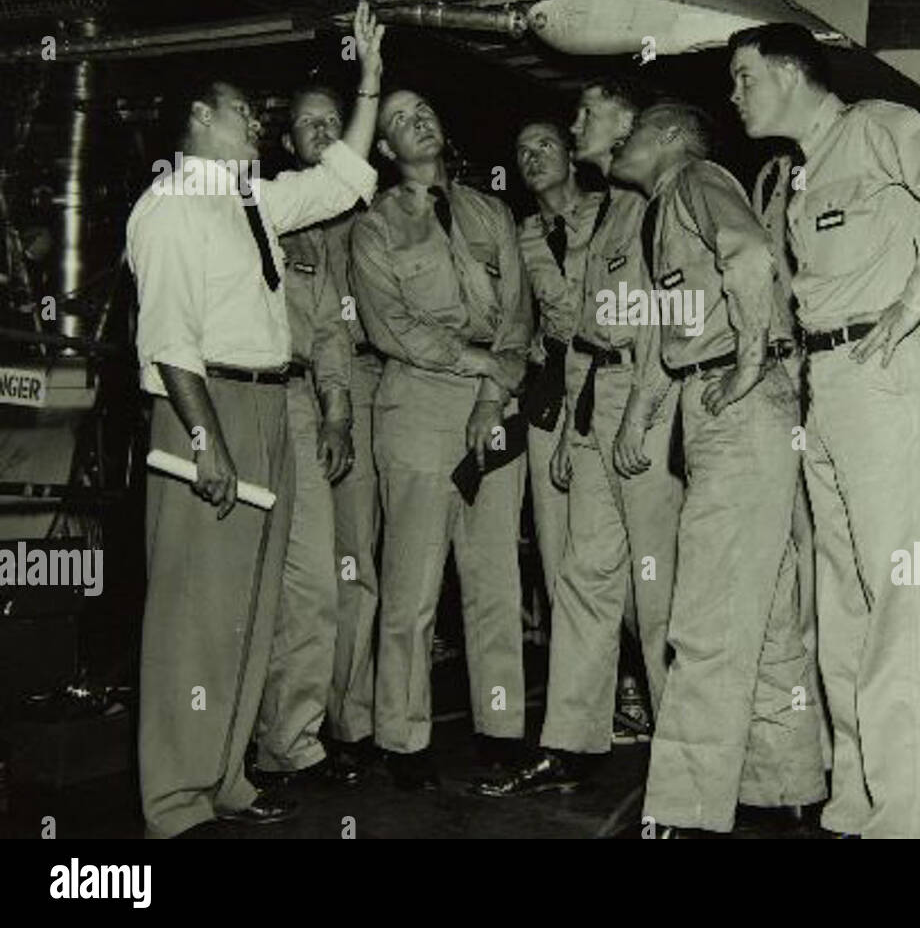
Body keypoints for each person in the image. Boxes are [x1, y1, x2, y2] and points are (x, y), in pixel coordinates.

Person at [728, 22, 920, 838]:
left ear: (787, 71)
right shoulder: (801, 176)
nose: (733, 94)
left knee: (900, 610)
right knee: (845, 615)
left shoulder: (875, 127)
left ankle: (912, 823)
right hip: (831, 387)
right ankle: (859, 807)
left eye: (742, 76)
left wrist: (910, 302)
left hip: (890, 379)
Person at [125, 9, 383, 839]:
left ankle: (225, 774)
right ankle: (172, 800)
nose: (258, 124)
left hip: (272, 403)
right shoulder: (167, 207)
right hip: (206, 406)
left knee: (251, 605)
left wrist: (369, 78)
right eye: (244, 112)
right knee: (194, 612)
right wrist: (207, 442)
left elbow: (342, 180)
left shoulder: (253, 200)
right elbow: (168, 340)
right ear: (200, 118)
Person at [614, 101, 826, 837]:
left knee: (703, 617)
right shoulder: (664, 209)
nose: (619, 140)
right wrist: (641, 416)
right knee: (761, 612)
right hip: (727, 409)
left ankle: (683, 809)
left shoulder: (697, 179)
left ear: (669, 135)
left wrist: (744, 364)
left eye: (632, 129)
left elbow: (753, 258)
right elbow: (664, 331)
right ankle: (786, 784)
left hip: (737, 406)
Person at [474, 83, 683, 799]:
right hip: (589, 402)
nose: (572, 127)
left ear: (628, 126)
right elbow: (579, 333)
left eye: (583, 120)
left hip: (643, 403)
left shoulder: (658, 201)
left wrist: (633, 413)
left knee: (656, 587)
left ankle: (684, 751)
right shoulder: (613, 210)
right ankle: (571, 742)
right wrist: (573, 421)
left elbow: (667, 316)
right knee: (582, 577)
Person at [351, 90, 531, 788]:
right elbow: (387, 324)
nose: (417, 118)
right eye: (397, 118)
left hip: (494, 400)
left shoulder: (492, 211)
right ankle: (402, 739)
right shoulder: (376, 227)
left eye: (424, 107)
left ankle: (501, 729)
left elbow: (517, 313)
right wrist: (477, 363)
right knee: (412, 585)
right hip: (418, 401)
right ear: (387, 151)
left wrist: (492, 390)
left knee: (494, 579)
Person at [251, 74, 388, 790]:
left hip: (320, 397)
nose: (325, 133)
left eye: (336, 121)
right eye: (309, 124)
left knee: (339, 573)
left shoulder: (346, 219)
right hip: (252, 395)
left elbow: (331, 327)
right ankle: (279, 735)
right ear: (283, 140)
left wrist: (338, 409)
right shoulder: (265, 208)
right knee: (281, 578)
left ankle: (324, 727)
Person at [750, 148, 833, 776]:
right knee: (793, 545)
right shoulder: (767, 182)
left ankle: (828, 736)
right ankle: (806, 740)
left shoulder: (826, 181)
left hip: (813, 371)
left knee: (819, 547)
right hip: (779, 372)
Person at [512, 119, 604, 603]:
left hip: (609, 380)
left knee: (610, 538)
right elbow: (515, 311)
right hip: (552, 388)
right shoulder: (521, 236)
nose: (533, 156)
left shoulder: (612, 213)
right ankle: (575, 670)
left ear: (571, 155)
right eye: (523, 151)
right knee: (556, 539)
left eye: (545, 144)